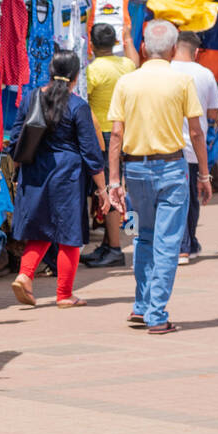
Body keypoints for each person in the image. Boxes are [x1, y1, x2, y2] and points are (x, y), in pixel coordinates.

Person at [105, 20, 212, 334]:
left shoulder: (127, 82)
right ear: (172, 49)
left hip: (135, 171)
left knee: (144, 238)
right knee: (167, 242)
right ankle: (156, 314)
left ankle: (142, 306)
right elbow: (196, 132)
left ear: (142, 47)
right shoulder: (180, 82)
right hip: (171, 170)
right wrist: (204, 175)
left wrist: (114, 182)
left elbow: (116, 136)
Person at [8, 50, 107, 307]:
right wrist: (103, 190)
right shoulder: (78, 106)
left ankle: (24, 274)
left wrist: (18, 173)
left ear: (50, 72)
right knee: (69, 234)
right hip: (68, 176)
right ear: (75, 76)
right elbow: (91, 153)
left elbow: (15, 141)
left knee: (41, 230)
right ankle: (64, 295)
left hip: (35, 174)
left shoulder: (32, 98)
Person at [81, 16, 141, 268]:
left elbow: (84, 102)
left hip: (103, 137)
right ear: (114, 42)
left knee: (107, 189)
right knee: (113, 187)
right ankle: (108, 243)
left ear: (92, 45)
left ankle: (115, 248)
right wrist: (128, 37)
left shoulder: (92, 70)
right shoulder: (127, 65)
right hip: (125, 133)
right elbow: (136, 63)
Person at [170, 31, 218, 263]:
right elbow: (212, 113)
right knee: (190, 198)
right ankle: (186, 244)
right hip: (192, 146)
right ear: (197, 51)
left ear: (174, 47)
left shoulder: (163, 71)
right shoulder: (205, 74)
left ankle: (180, 244)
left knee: (168, 199)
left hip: (163, 147)